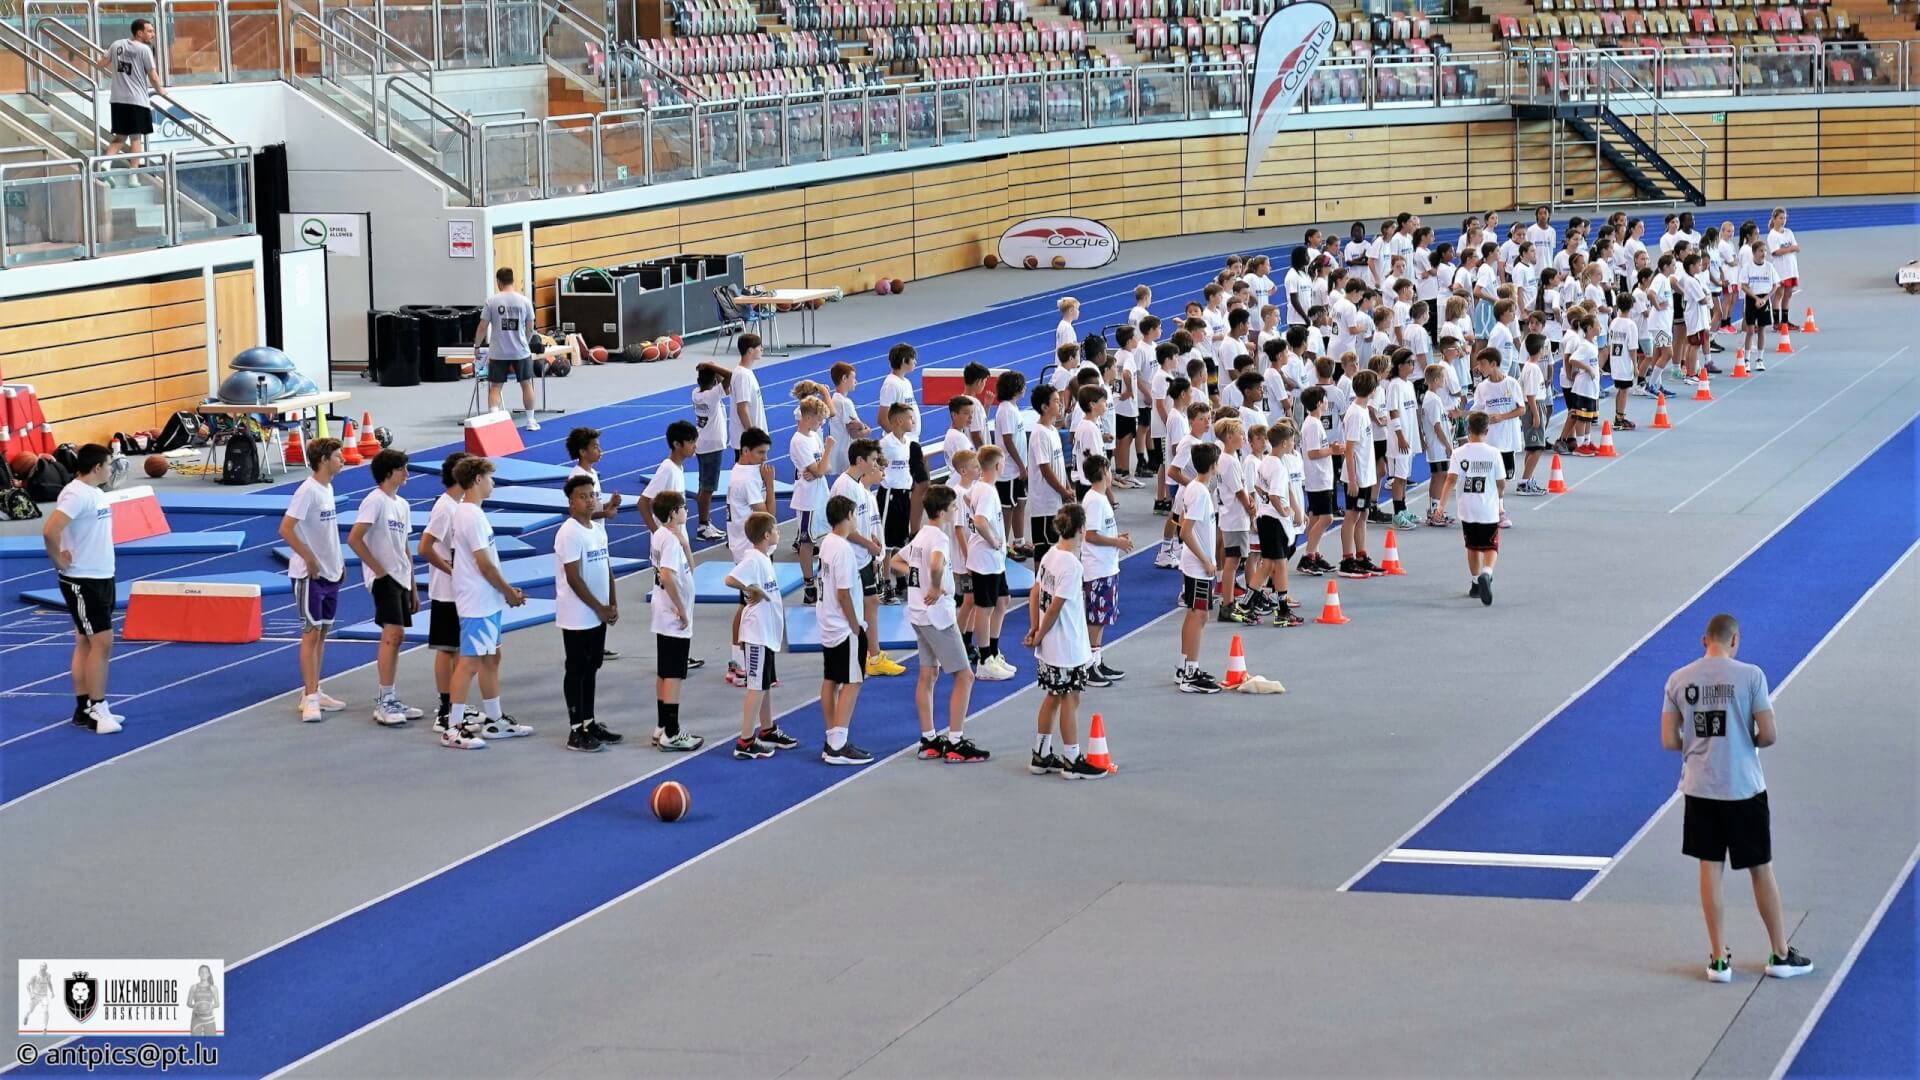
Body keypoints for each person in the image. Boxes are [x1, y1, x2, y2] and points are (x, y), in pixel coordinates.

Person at [1660, 613, 1813, 984]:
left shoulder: (1678, 679)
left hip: (1700, 788)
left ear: (1704, 640)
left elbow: (1668, 740)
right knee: (1760, 867)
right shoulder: (1751, 676)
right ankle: (1780, 953)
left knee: (1710, 868)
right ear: (1735, 641)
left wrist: (1696, 746)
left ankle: (1718, 959)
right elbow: (1769, 734)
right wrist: (1745, 743)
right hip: (1743, 787)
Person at [892, 484, 987, 762]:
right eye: (954, 507)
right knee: (965, 676)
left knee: (928, 675)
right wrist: (933, 585)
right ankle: (956, 742)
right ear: (943, 511)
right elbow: (935, 565)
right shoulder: (940, 539)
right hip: (938, 618)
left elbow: (895, 561)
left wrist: (920, 578)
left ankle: (929, 739)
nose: (956, 510)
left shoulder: (921, 535)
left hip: (918, 614)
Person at [443, 457, 530, 749]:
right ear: (478, 479)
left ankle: (495, 721)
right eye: (490, 478)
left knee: (492, 658)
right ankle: (453, 728)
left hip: (486, 599)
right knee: (469, 663)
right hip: (477, 601)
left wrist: (503, 591)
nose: (493, 483)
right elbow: (484, 564)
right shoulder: (471, 515)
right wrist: (508, 592)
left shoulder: (470, 512)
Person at [1025, 502, 1108, 779]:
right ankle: (1072, 759)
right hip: (1066, 647)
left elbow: (1036, 592)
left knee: (1052, 695)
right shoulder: (1072, 565)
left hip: (1049, 647)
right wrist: (1039, 632)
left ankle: (1041, 754)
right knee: (1071, 698)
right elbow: (1056, 607)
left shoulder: (1050, 555)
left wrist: (1035, 629)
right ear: (1082, 529)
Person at [42, 443, 119, 734]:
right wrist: (58, 560)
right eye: (109, 465)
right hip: (82, 580)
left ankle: (84, 707)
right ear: (97, 467)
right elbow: (50, 529)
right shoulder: (76, 494)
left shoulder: (95, 493)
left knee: (86, 642)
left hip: (101, 575)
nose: (111, 469)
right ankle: (98, 707)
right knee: (102, 642)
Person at [347, 448, 421, 726]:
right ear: (390, 473)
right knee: (392, 634)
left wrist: (413, 585)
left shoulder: (402, 504)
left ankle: (390, 696)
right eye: (402, 468)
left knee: (397, 636)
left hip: (400, 576)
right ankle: (384, 700)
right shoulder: (374, 501)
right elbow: (355, 539)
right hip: (385, 578)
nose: (407, 473)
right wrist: (378, 570)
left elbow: (404, 546)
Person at [280, 437, 348, 724]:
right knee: (311, 633)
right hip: (310, 576)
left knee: (322, 634)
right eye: (338, 456)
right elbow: (286, 528)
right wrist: (308, 558)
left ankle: (315, 689)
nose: (343, 459)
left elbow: (328, 531)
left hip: (330, 571)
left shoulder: (328, 488)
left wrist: (338, 561)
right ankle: (308, 697)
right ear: (323, 460)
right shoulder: (307, 491)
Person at [555, 475, 623, 752]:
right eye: (582, 496)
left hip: (598, 613)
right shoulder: (569, 533)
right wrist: (599, 607)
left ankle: (589, 722)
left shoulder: (597, 529)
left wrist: (612, 602)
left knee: (593, 666)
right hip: (577, 615)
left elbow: (606, 568)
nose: (589, 500)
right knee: (577, 669)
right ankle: (575, 730)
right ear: (571, 503)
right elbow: (573, 577)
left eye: (592, 495)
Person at [725, 511, 799, 758]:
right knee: (756, 687)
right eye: (775, 530)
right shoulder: (754, 559)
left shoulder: (764, 557)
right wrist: (751, 589)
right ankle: (745, 741)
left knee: (764, 684)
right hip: (756, 634)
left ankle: (767, 729)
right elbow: (730, 579)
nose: (778, 533)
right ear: (766, 535)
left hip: (766, 633)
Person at [831, 438, 903, 677]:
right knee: (856, 606)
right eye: (872, 460)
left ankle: (872, 654)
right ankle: (867, 656)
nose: (875, 464)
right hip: (851, 558)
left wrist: (871, 538)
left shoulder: (858, 487)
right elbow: (845, 528)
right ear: (860, 460)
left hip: (861, 556)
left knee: (871, 602)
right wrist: (870, 546)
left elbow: (858, 523)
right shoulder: (845, 487)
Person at [816, 494, 875, 765]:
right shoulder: (843, 550)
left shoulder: (828, 543)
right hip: (843, 626)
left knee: (831, 678)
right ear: (849, 516)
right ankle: (838, 744)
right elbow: (844, 593)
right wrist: (855, 625)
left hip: (828, 622)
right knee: (853, 681)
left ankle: (832, 736)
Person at [647, 491, 704, 752]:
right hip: (672, 615)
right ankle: (672, 732)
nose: (687, 511)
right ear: (673, 513)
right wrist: (681, 610)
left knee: (664, 671)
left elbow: (689, 569)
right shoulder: (669, 540)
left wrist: (685, 544)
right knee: (673, 674)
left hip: (663, 612)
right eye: (683, 507)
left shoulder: (663, 535)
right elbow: (668, 576)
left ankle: (662, 726)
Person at [419, 451, 471, 731]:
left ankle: (456, 702)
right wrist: (451, 570)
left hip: (460, 590)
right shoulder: (444, 508)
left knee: (459, 648)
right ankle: (444, 708)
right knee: (447, 649)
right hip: (445, 591)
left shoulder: (460, 505)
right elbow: (424, 547)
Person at [1435, 411, 1503, 606]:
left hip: (1467, 508)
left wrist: (1441, 505)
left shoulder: (1458, 453)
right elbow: (1501, 483)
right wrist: (1500, 500)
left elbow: (1450, 479)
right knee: (1491, 546)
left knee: (1472, 546)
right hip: (1487, 509)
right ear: (1487, 431)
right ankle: (1486, 573)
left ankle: (1475, 583)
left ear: (1469, 429)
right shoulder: (1494, 453)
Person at [724, 426, 775, 687]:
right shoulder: (748, 479)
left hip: (747, 547)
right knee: (749, 608)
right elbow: (767, 516)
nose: (764, 459)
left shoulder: (741, 471)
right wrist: (770, 485)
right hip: (750, 551)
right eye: (760, 453)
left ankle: (744, 662)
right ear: (745, 450)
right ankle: (739, 663)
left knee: (749, 606)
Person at [1174, 441, 1224, 693]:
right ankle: (1190, 674)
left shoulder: (1192, 488)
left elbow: (1182, 519)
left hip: (1194, 563)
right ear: (1213, 466)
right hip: (1198, 565)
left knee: (1195, 613)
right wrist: (1206, 560)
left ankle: (1184, 665)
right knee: (1199, 615)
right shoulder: (1201, 493)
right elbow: (1185, 531)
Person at [964, 446, 1017, 681]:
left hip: (994, 560)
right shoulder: (986, 491)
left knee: (1003, 601)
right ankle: (984, 660)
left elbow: (967, 498)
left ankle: (993, 652)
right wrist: (994, 540)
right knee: (984, 608)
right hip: (985, 559)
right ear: (998, 466)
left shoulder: (981, 487)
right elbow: (979, 521)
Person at [1077, 454, 1131, 684]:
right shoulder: (1094, 501)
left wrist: (1116, 537)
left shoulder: (1099, 498)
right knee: (1096, 618)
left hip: (1106, 567)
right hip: (1097, 569)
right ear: (1104, 472)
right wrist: (1116, 542)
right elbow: (1090, 535)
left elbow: (1099, 531)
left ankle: (1097, 661)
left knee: (1102, 617)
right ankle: (1089, 666)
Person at [474, 267, 541, 430]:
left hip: (498, 352)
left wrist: (477, 345)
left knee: (495, 387)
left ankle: (495, 421)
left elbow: (483, 326)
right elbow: (530, 327)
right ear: (513, 280)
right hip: (520, 351)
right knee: (526, 384)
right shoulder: (525, 301)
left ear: (498, 282)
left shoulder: (491, 301)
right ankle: (531, 421)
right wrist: (525, 341)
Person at [878, 343, 929, 532]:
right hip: (904, 445)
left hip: (911, 442)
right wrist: (899, 441)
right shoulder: (891, 384)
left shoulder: (905, 382)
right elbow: (882, 417)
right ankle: (912, 529)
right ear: (904, 360)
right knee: (919, 484)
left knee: (920, 484)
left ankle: (913, 527)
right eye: (913, 358)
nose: (916, 362)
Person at [790, 395, 833, 605]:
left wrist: (819, 469)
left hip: (820, 493)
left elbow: (826, 468)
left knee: (825, 536)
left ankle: (824, 579)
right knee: (807, 542)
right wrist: (828, 450)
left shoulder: (814, 436)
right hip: (807, 499)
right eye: (819, 419)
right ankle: (809, 586)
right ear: (808, 418)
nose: (821, 423)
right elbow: (819, 469)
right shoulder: (798, 441)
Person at [100, 19, 162, 165]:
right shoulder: (144, 50)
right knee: (135, 138)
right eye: (149, 31)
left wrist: (114, 63)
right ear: (139, 33)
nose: (153, 34)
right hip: (136, 100)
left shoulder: (117, 44)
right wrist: (161, 90)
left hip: (117, 99)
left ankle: (106, 164)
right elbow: (153, 76)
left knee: (121, 135)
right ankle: (133, 173)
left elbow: (101, 64)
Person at [1339, 370, 1381, 577]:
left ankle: (1361, 556)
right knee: (1352, 515)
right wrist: (1353, 480)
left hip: (1365, 474)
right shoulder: (1355, 414)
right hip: (1356, 476)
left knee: (1363, 514)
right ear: (1372, 390)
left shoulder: (1362, 411)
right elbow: (1349, 450)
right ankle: (1347, 560)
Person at [1025, 383, 1071, 568]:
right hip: (1044, 503)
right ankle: (1040, 583)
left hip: (1056, 500)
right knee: (1044, 549)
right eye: (1056, 401)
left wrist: (1067, 486)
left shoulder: (1052, 430)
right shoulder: (1040, 434)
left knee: (1055, 547)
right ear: (1044, 407)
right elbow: (1045, 469)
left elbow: (1058, 463)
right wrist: (1063, 491)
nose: (1060, 404)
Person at [876, 402, 915, 603]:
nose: (913, 421)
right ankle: (885, 583)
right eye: (910, 418)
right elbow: (874, 465)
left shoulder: (908, 442)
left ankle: (900, 580)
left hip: (904, 495)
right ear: (899, 420)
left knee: (901, 540)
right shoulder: (885, 444)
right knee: (887, 542)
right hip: (890, 495)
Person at [690, 361, 732, 540]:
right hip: (712, 446)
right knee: (708, 488)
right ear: (714, 381)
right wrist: (711, 365)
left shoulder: (696, 393)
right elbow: (729, 376)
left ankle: (705, 523)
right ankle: (703, 526)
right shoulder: (713, 395)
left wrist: (711, 371)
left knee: (704, 486)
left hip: (703, 443)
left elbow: (725, 384)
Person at [637, 420, 697, 546]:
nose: (694, 446)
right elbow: (643, 502)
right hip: (667, 542)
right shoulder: (667, 469)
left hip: (677, 536)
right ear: (677, 444)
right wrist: (657, 533)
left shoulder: (678, 468)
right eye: (691, 442)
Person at [187, 964, 219, 1037]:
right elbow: (188, 1003)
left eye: (205, 972)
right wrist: (195, 1006)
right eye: (201, 972)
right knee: (196, 1041)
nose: (203, 974)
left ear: (209, 974)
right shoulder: (193, 987)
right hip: (196, 1019)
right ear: (198, 974)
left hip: (209, 1019)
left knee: (211, 1042)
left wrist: (210, 1006)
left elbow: (217, 1004)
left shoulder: (213, 988)